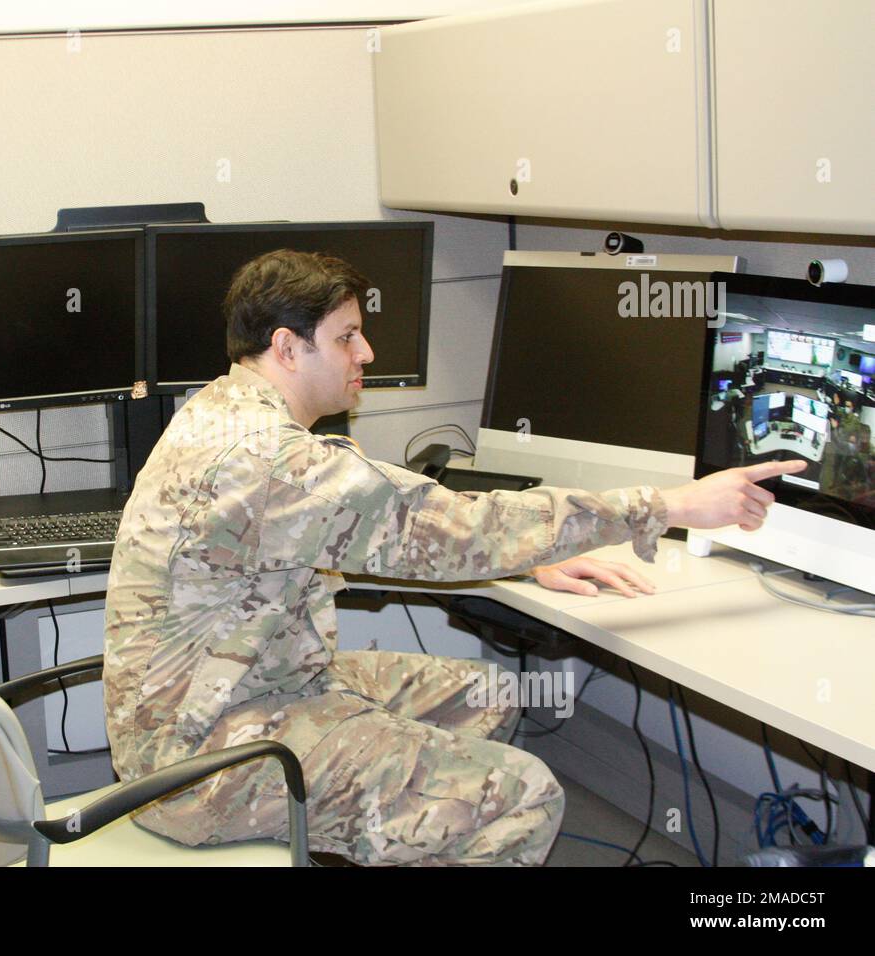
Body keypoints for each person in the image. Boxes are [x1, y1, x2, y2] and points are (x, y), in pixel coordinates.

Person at [103, 249, 805, 865]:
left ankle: (372, 828)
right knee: (522, 793)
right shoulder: (272, 458)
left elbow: (379, 529)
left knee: (487, 695)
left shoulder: (219, 409)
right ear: (288, 349)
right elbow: (452, 526)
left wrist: (521, 561)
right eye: (347, 337)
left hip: (232, 697)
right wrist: (674, 506)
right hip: (207, 759)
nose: (367, 353)